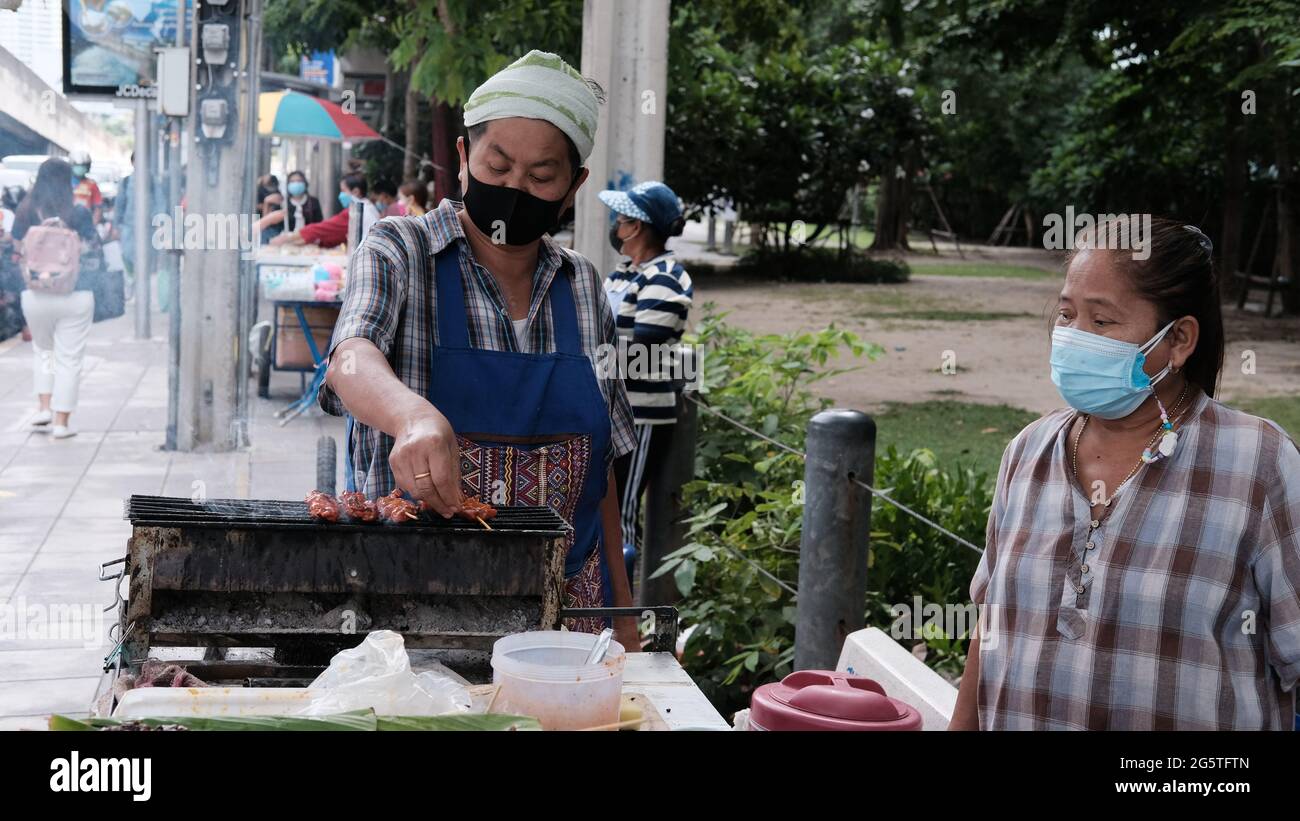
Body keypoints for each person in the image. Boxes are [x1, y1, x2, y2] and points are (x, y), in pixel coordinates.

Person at [319, 50, 640, 648]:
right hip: (412, 621)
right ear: (464, 160)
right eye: (498, 165)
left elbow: (603, 475)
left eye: (541, 177)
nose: (515, 189)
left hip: (562, 626)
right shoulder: (401, 251)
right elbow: (351, 357)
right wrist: (410, 414)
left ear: (573, 187)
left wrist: (624, 621)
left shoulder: (584, 287)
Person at [949, 217, 1300, 731]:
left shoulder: (1259, 463)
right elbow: (992, 628)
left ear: (1178, 340)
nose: (1072, 337)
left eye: (1102, 322)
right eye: (1066, 315)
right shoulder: (1029, 452)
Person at [598, 181, 693, 563]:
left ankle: (623, 612)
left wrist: (593, 365)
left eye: (620, 219)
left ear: (636, 226)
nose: (616, 226)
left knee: (621, 510)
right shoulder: (624, 272)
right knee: (604, 504)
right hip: (614, 404)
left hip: (641, 412)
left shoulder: (666, 278)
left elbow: (643, 352)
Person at [11, 159, 100, 439]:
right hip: (75, 293)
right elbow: (93, 248)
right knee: (69, 359)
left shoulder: (25, 210)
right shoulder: (78, 213)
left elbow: (15, 249)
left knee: (44, 352)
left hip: (36, 293)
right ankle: (62, 423)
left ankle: (44, 408)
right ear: (68, 182)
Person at [269, 172, 378, 249]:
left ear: (355, 192)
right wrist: (317, 242)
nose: (340, 195)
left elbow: (323, 228)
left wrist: (287, 238)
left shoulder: (356, 211)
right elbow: (335, 235)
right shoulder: (367, 207)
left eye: (343, 191)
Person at [69, 150, 103, 225]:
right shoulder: (65, 182)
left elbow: (98, 207)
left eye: (83, 166)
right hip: (68, 222)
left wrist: (93, 224)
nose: (80, 168)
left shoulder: (92, 184)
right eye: (77, 165)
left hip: (86, 223)